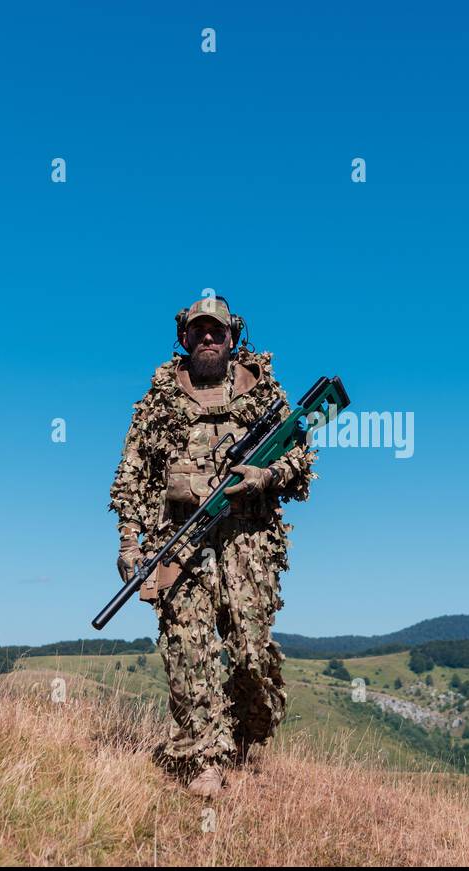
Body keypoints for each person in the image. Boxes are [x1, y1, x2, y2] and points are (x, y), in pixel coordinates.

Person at [108, 295, 317, 796]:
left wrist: (266, 476)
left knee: (251, 655)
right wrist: (130, 542)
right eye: (198, 330)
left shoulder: (261, 393)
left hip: (248, 544)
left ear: (232, 337)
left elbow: (300, 456)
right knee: (188, 649)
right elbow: (132, 477)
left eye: (217, 331)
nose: (207, 337)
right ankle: (205, 758)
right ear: (183, 337)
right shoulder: (159, 402)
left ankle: (242, 737)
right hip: (179, 538)